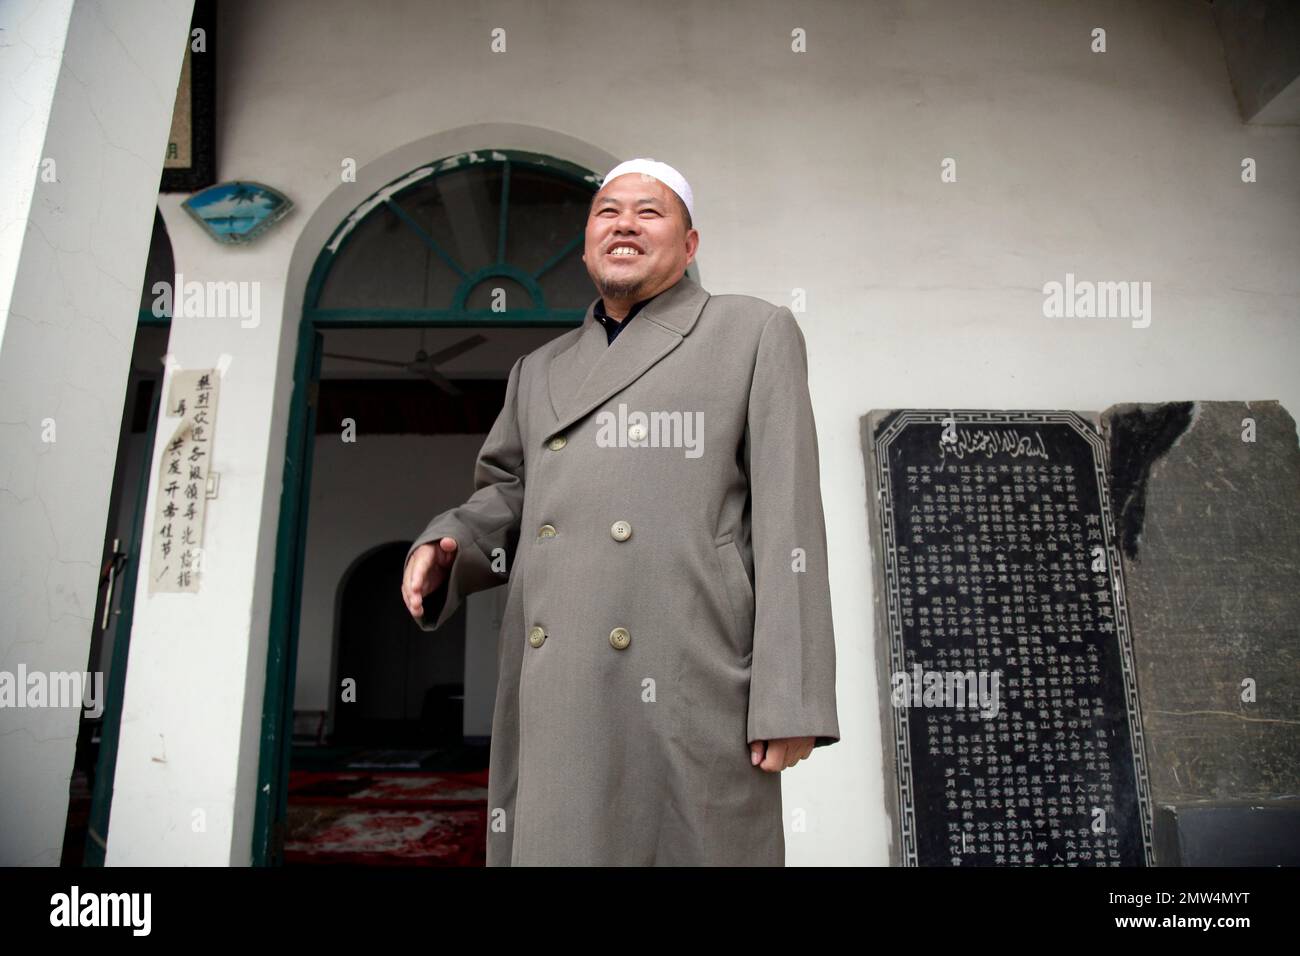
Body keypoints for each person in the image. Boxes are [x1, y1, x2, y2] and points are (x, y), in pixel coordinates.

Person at [401, 158, 839, 865]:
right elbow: (509, 490)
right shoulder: (538, 369)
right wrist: (452, 542)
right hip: (560, 677)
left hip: (689, 665)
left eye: (649, 211)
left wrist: (791, 701)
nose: (625, 225)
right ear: (586, 246)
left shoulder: (751, 331)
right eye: (607, 213)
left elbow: (790, 521)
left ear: (690, 245)